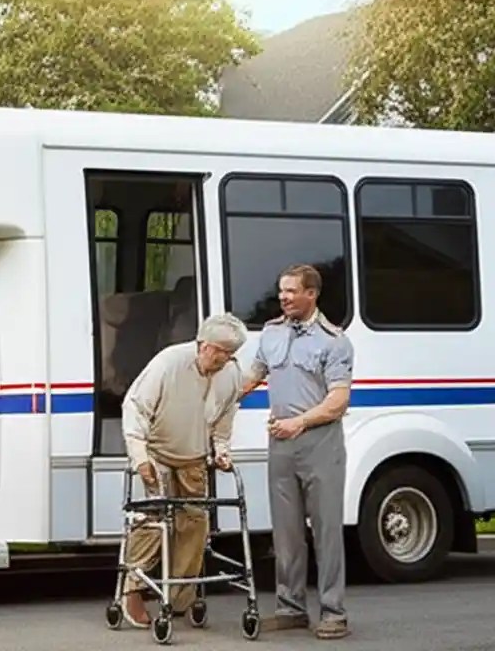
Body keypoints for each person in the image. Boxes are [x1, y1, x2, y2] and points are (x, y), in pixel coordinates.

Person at [242, 264, 354, 640]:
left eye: (291, 291)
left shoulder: (334, 341)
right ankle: (290, 608)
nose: (284, 297)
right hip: (281, 444)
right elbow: (252, 376)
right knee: (286, 533)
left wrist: (300, 423)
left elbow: (338, 401)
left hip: (320, 443)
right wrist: (216, 398)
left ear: (312, 294)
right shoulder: (272, 333)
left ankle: (333, 612)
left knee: (325, 531)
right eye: (281, 291)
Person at [120, 312, 249, 627]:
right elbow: (135, 407)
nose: (224, 360)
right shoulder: (169, 363)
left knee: (195, 523)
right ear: (203, 345)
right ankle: (132, 590)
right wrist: (140, 459)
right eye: (220, 352)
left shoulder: (230, 372)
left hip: (193, 456)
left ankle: (180, 594)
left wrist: (221, 451)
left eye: (230, 354)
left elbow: (225, 415)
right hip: (158, 452)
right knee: (152, 521)